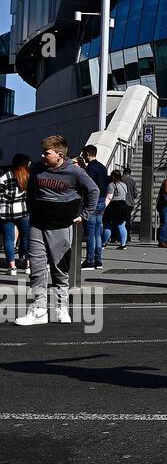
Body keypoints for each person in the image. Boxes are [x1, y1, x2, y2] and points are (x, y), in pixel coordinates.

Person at [15, 135, 100, 325]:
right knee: (36, 268)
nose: (42, 156)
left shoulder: (75, 172)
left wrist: (85, 215)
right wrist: (31, 210)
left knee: (60, 268)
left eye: (47, 153)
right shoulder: (37, 168)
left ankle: (62, 308)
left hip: (61, 226)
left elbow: (94, 191)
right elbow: (31, 190)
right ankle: (39, 310)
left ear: (59, 154)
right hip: (37, 224)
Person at [0, 154, 31, 276]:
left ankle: (12, 267)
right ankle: (28, 265)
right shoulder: (27, 176)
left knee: (9, 239)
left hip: (6, 212)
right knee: (27, 237)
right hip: (23, 211)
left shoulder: (4, 177)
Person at [80, 145, 109, 270]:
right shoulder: (102, 167)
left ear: (87, 154)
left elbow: (88, 186)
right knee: (97, 232)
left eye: (83, 154)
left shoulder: (90, 168)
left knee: (90, 233)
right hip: (102, 200)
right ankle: (98, 260)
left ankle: (90, 260)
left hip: (93, 201)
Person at [104, 171, 131, 249]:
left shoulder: (111, 185)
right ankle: (123, 244)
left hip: (113, 205)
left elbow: (109, 197)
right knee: (121, 225)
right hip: (123, 205)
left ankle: (103, 242)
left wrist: (104, 207)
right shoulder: (124, 185)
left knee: (107, 225)